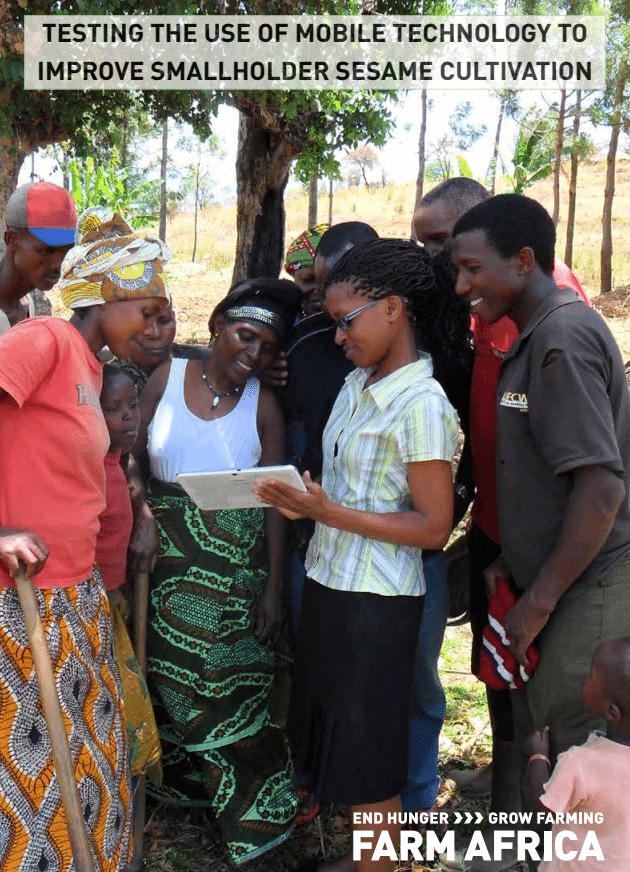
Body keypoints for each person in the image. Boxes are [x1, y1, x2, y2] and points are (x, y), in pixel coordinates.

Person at [255, 239, 460, 872]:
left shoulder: (422, 406)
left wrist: (328, 514)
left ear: (394, 309)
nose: (338, 336)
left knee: (371, 751)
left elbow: (433, 527)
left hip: (377, 602)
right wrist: (305, 503)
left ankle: (380, 864)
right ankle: (366, 858)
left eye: (347, 321)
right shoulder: (354, 384)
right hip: (330, 582)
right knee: (339, 735)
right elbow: (347, 490)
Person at [451, 194, 630, 868]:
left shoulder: (561, 338)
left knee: (585, 752)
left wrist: (542, 597)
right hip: (554, 576)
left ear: (524, 262)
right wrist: (514, 565)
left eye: (473, 270)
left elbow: (601, 486)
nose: (462, 287)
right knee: (549, 746)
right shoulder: (532, 338)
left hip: (591, 583)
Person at [414, 178, 590, 845]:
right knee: (502, 669)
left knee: (546, 682)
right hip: (500, 524)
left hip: (547, 539)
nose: (438, 262)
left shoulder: (550, 318)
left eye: (447, 246)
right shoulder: (484, 306)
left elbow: (587, 474)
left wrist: (536, 579)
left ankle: (537, 826)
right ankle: (507, 786)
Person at [0, 206, 172, 872]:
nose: (157, 330)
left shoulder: (94, 371)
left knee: (94, 768)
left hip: (75, 597)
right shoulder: (41, 340)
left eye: (163, 316)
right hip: (19, 606)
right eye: (147, 312)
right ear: (104, 297)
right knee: (34, 786)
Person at [135, 277, 302, 865]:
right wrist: (143, 513)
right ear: (217, 328)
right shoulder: (164, 379)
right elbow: (129, 456)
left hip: (238, 572)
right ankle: (187, 801)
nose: (252, 354)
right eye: (244, 336)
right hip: (162, 571)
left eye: (265, 347)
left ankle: (260, 830)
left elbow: (279, 502)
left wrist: (274, 592)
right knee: (172, 685)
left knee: (235, 692)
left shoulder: (266, 404)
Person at [526, 638, 630, 871]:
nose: (586, 676)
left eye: (591, 675)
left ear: (612, 712)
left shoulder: (579, 763)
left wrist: (538, 758)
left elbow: (543, 810)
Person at [1, 180, 77, 329]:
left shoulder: (31, 307)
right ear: (11, 239)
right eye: (47, 251)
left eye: (67, 251)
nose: (58, 265)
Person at [284, 223, 329, 317]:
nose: (319, 289)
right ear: (293, 276)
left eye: (328, 280)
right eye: (308, 280)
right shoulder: (284, 320)